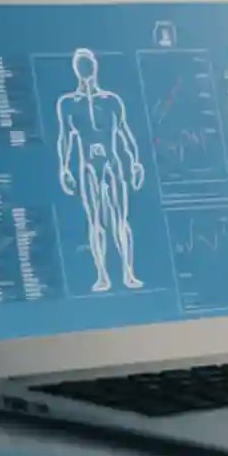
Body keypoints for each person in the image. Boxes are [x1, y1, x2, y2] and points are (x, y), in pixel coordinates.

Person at [56, 48, 145, 291]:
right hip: (87, 167)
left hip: (111, 163)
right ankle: (103, 275)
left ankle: (128, 272)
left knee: (120, 218)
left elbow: (125, 133)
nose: (86, 69)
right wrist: (63, 168)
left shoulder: (111, 100)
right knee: (94, 220)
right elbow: (65, 138)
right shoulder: (68, 104)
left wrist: (136, 162)